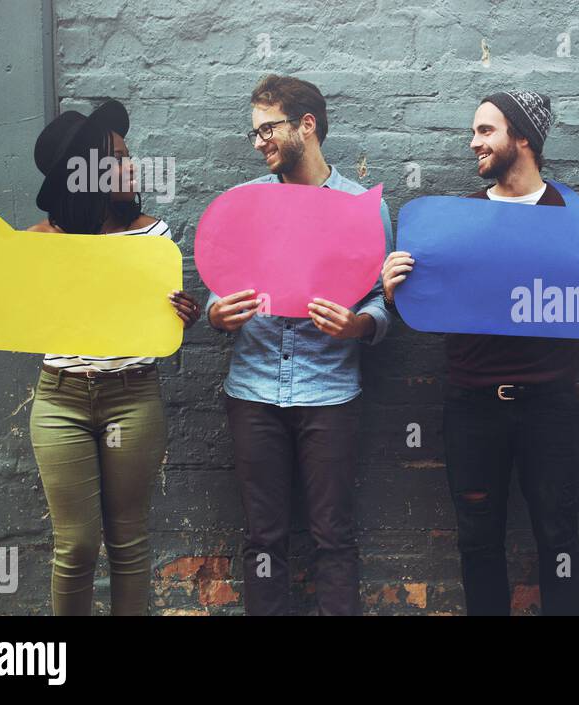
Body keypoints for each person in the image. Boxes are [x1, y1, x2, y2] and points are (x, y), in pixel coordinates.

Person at [0, 99, 201, 615]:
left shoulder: (153, 236)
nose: (131, 167)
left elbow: (155, 320)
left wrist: (178, 315)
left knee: (128, 544)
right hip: (61, 400)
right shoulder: (35, 244)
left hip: (133, 396)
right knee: (76, 545)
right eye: (119, 158)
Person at [381, 90, 579, 615]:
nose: (473, 142)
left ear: (523, 137)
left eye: (485, 131)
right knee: (477, 539)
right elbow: (426, 304)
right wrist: (394, 288)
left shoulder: (576, 216)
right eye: (474, 131)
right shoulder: (456, 220)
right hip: (472, 405)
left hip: (550, 407)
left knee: (559, 535)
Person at [204, 74, 392, 616]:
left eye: (268, 128)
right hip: (254, 391)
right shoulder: (243, 204)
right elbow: (218, 289)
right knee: (263, 538)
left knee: (334, 535)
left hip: (329, 391)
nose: (260, 141)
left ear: (306, 126)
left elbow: (382, 301)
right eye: (254, 133)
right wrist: (219, 315)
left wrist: (357, 326)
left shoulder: (362, 207)